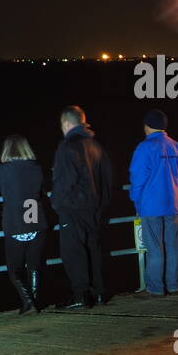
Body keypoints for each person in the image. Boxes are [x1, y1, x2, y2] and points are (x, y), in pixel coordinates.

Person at [51, 105, 113, 310]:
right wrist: (102, 205)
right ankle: (100, 292)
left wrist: (57, 205)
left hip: (72, 209)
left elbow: (63, 182)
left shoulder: (67, 147)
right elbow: (106, 180)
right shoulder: (96, 146)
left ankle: (81, 295)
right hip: (94, 208)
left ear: (67, 124)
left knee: (73, 251)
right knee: (94, 249)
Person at [0, 134, 50, 314]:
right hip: (35, 218)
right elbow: (42, 190)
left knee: (14, 269)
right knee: (34, 265)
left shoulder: (2, 170)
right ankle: (35, 301)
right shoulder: (36, 167)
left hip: (15, 222)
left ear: (7, 150)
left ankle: (29, 301)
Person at [128, 110, 178, 296]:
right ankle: (173, 285)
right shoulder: (176, 146)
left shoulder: (144, 148)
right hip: (172, 205)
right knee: (172, 247)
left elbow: (138, 179)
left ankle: (155, 288)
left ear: (146, 126)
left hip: (150, 206)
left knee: (154, 248)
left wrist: (135, 200)